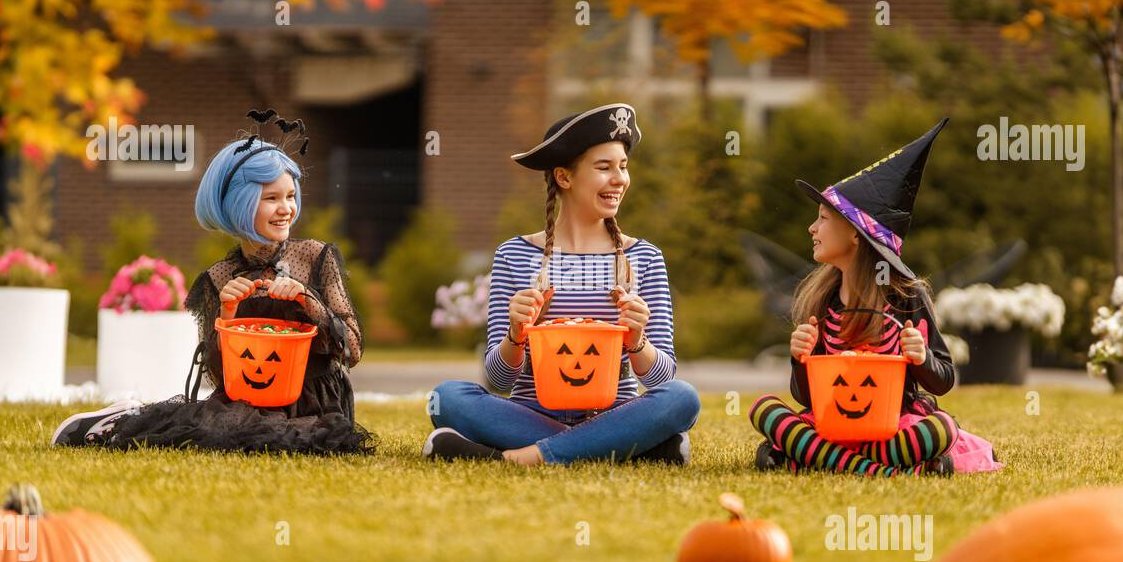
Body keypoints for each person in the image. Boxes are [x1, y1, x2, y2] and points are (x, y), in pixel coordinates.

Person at [51, 113, 374, 455]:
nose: (286, 209)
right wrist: (227, 314)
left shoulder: (314, 256)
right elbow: (222, 377)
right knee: (212, 430)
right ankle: (119, 423)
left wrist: (309, 301)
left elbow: (353, 350)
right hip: (251, 401)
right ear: (240, 203)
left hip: (316, 402)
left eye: (290, 196)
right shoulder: (220, 277)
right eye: (271, 198)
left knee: (294, 440)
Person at [423, 103, 700, 466]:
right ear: (564, 177)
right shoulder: (514, 255)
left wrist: (638, 340)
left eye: (623, 167)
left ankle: (520, 457)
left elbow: (662, 378)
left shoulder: (644, 258)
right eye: (604, 168)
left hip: (614, 412)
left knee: (682, 398)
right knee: (448, 397)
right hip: (529, 413)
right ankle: (622, 451)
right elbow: (497, 380)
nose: (619, 179)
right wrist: (515, 333)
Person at [750, 118, 1000, 476]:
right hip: (833, 424)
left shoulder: (906, 298)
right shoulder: (823, 300)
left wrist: (920, 358)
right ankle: (887, 468)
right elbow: (805, 398)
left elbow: (943, 380)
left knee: (941, 428)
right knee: (764, 410)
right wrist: (799, 359)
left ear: (854, 235)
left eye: (822, 218)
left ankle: (823, 460)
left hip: (892, 425)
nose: (812, 228)